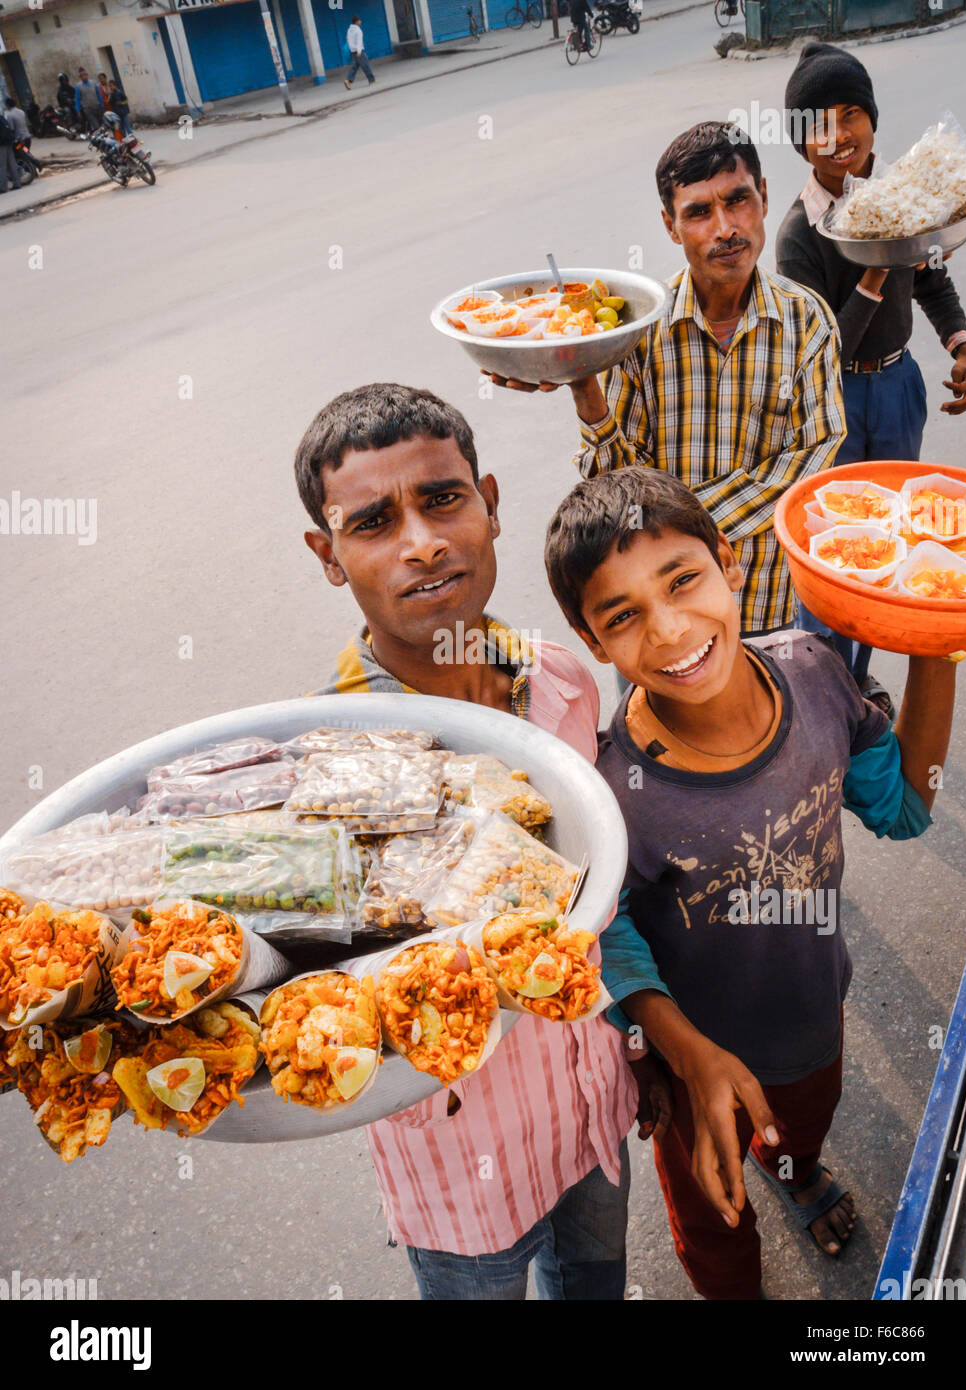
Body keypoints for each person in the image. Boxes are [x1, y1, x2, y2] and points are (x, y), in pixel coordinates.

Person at [293, 382, 672, 1301]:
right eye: (374, 521)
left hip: (588, 1109)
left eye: (442, 498)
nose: (421, 541)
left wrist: (643, 1023)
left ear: (490, 504)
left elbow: (597, 896)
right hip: (460, 1157)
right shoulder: (326, 776)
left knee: (592, 1285)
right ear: (329, 556)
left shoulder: (559, 685)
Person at [543, 465, 959, 1299]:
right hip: (694, 1063)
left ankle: (798, 1171)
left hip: (813, 1014)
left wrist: (939, 640)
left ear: (729, 561)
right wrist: (676, 1053)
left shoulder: (812, 673)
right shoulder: (608, 785)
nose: (666, 631)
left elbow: (907, 808)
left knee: (801, 1129)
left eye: (683, 580)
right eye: (621, 616)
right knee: (716, 1215)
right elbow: (606, 932)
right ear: (594, 643)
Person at [491, 122, 846, 641]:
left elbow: (808, 463)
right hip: (655, 618)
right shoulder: (636, 334)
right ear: (670, 226)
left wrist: (673, 530)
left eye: (737, 199)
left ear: (764, 197)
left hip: (764, 605)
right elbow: (614, 489)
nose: (725, 228)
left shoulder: (806, 320)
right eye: (699, 212)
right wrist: (583, 386)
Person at [777, 41, 966, 718]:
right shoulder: (799, 234)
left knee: (887, 542)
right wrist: (872, 266)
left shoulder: (897, 198)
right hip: (831, 403)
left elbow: (931, 277)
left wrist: (959, 342)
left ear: (871, 122)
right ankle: (821, 689)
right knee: (830, 559)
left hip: (896, 391)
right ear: (800, 142)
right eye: (818, 124)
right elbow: (820, 352)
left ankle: (856, 680)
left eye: (850, 115)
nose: (838, 136)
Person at [343, 17, 375, 89]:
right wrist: (359, 51)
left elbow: (348, 40)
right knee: (365, 65)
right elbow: (359, 41)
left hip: (352, 51)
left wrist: (352, 49)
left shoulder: (349, 30)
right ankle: (371, 80)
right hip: (359, 51)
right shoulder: (358, 30)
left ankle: (348, 80)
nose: (361, 22)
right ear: (356, 22)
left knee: (355, 66)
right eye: (359, 20)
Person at [0, 107, 21, 194]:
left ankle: (3, 187)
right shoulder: (1, 117)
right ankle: (17, 183)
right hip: (9, 142)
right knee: (12, 163)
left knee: (2, 166)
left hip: (1, 145)